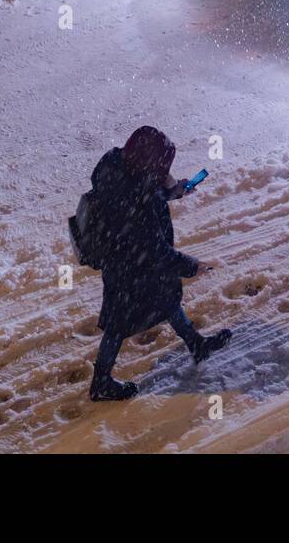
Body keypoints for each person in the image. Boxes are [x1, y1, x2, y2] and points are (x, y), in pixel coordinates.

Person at [89, 126, 232, 401]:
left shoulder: (118, 165)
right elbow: (155, 250)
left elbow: (141, 194)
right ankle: (101, 383)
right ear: (148, 163)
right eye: (162, 165)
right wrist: (193, 266)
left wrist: (174, 191)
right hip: (130, 268)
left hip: (124, 260)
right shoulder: (135, 199)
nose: (165, 171)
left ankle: (196, 343)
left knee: (166, 299)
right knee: (118, 323)